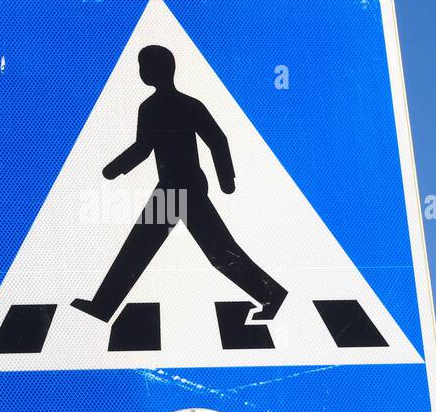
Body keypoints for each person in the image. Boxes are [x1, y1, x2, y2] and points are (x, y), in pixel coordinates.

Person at [71, 45, 287, 323]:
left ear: (162, 70)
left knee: (218, 251)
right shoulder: (149, 108)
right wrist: (115, 168)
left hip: (189, 189)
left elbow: (216, 139)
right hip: (170, 188)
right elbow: (143, 148)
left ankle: (272, 294)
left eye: (145, 66)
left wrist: (226, 179)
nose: (142, 72)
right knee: (139, 247)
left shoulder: (188, 105)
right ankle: (103, 306)